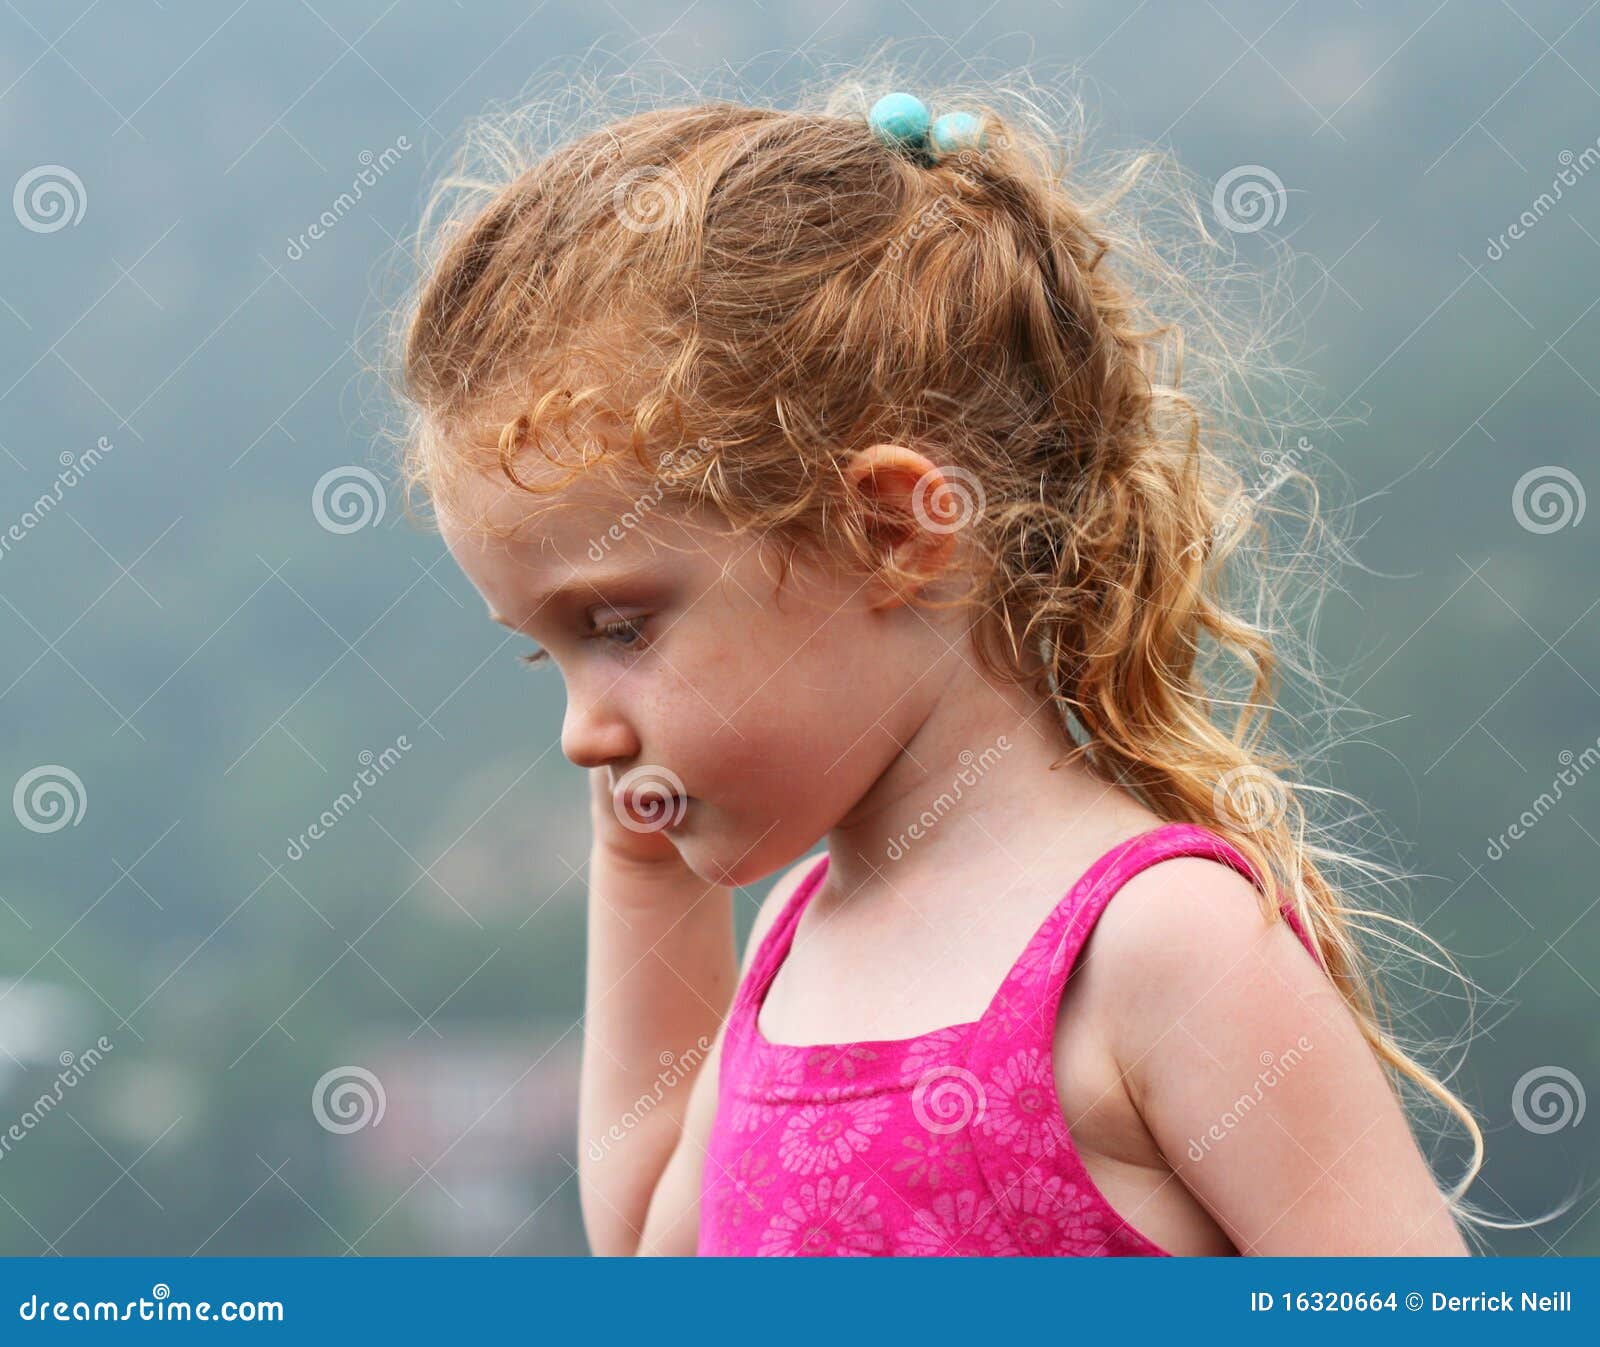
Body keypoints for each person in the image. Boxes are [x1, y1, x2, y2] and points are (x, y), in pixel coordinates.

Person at [391, 73, 1498, 1256]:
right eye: (546, 659)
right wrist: (646, 877)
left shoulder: (1161, 945)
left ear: (892, 533)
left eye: (617, 630)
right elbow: (654, 1255)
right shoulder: (791, 949)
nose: (582, 731)